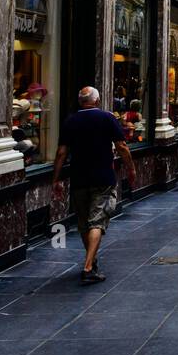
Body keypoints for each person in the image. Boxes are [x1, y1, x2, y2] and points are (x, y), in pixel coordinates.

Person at [52, 87, 136, 284]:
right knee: (97, 221)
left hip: (79, 178)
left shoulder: (70, 121)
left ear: (81, 102)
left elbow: (61, 152)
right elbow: (122, 146)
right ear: (97, 101)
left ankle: (92, 259)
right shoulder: (107, 118)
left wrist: (55, 179)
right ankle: (88, 267)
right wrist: (131, 169)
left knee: (84, 224)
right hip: (103, 178)